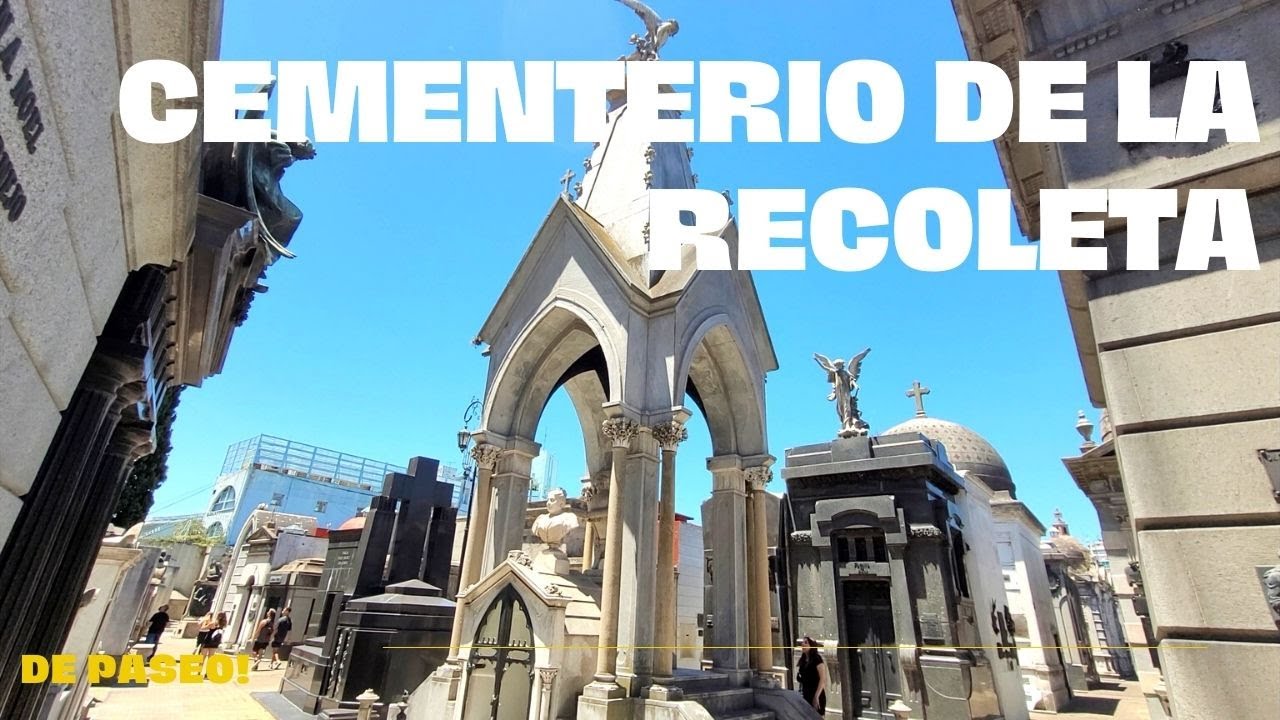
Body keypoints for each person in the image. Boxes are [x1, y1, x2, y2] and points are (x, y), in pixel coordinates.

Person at [796, 636, 828, 714]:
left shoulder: (817, 659)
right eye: (802, 642)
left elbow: (823, 678)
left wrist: (816, 696)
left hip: (816, 694)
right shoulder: (803, 660)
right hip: (805, 694)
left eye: (806, 643)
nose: (803, 644)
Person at [200, 612, 228, 678]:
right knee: (211, 658)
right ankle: (207, 674)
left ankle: (198, 672)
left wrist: (206, 621)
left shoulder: (213, 623)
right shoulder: (223, 624)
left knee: (202, 658)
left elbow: (202, 628)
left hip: (207, 641)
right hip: (215, 642)